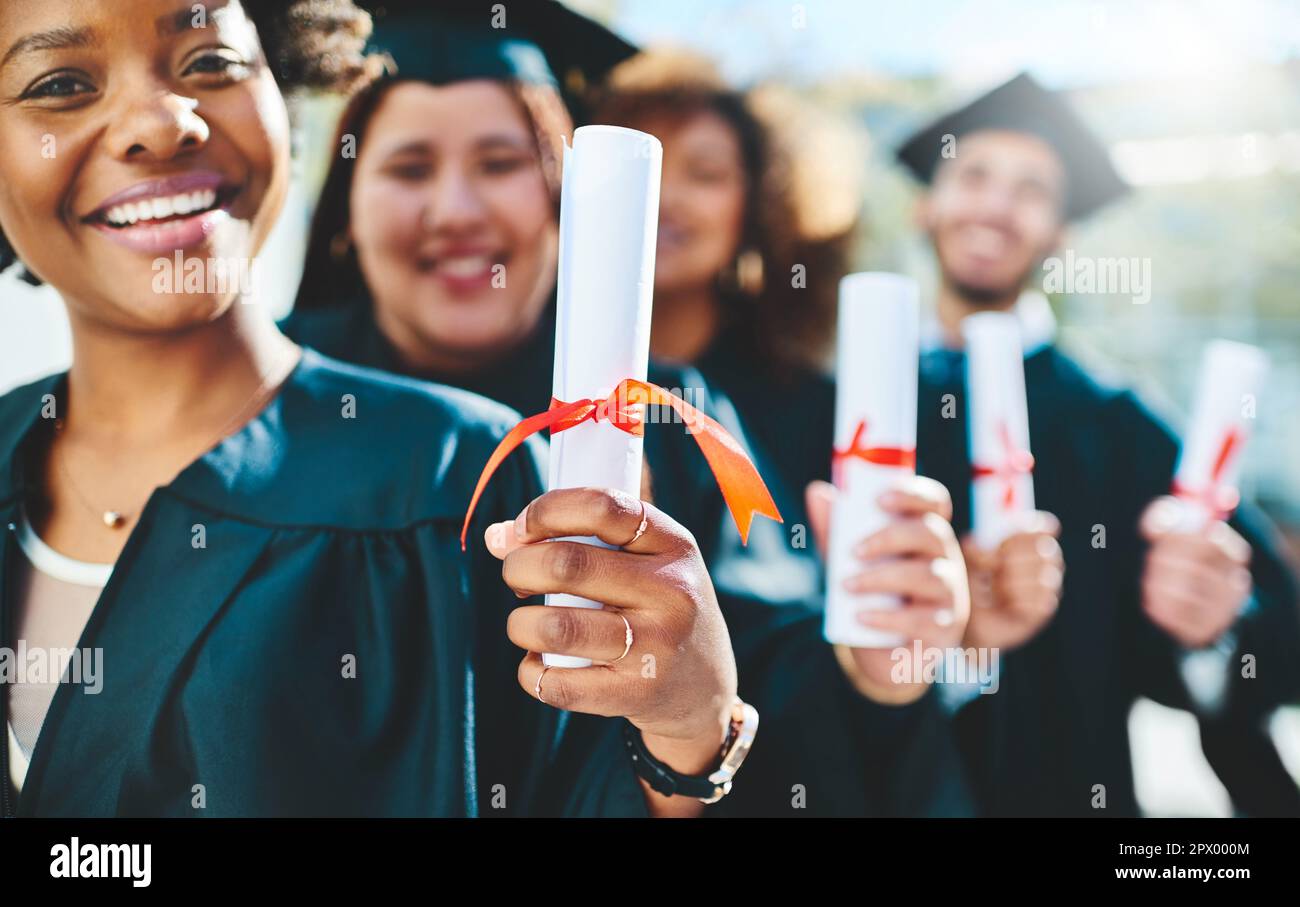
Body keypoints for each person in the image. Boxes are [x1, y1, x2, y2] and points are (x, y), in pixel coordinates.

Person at [0, 0, 753, 818]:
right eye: (61, 81)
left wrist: (690, 731)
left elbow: (585, 790)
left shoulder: (466, 472)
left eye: (210, 63)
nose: (158, 122)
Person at [283, 5, 975, 815]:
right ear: (345, 209)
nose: (456, 208)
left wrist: (868, 671)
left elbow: (776, 688)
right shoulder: (259, 408)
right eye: (408, 167)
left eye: (501, 161)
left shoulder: (672, 416)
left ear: (560, 197)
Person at [593, 51, 1064, 760]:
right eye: (644, 163)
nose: (667, 196)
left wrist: (944, 630)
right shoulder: (536, 394)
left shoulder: (823, 414)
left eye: (707, 174)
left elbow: (883, 661)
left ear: (758, 210)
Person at [896, 71, 1300, 816]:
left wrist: (1211, 627)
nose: (995, 204)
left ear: (1062, 232)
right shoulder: (849, 403)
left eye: (1030, 189)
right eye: (975, 174)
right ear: (928, 205)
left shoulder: (1113, 417)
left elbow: (1276, 632)